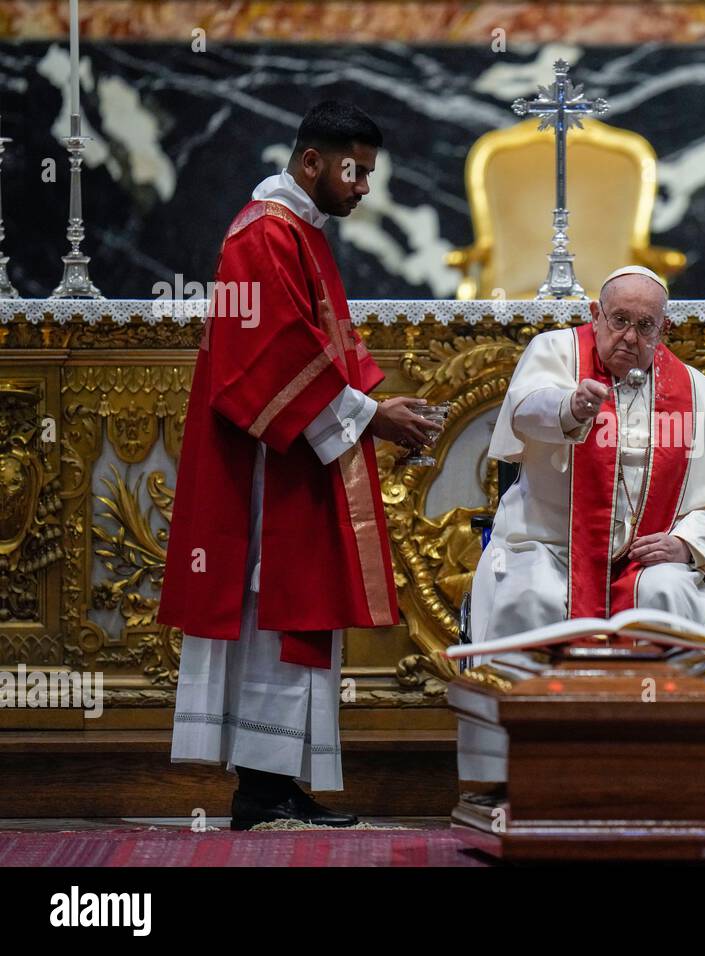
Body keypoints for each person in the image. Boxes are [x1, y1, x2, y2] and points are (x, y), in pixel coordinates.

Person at [159, 101, 437, 830]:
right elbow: (267, 358)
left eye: (370, 173)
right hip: (264, 474)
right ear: (311, 161)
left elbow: (326, 347)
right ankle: (261, 790)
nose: (364, 188)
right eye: (355, 171)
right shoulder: (263, 235)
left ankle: (273, 783)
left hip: (295, 458)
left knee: (290, 617)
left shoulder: (299, 233)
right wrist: (373, 418)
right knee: (270, 615)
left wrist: (379, 405)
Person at [469, 265, 705, 640]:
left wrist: (685, 544)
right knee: (531, 595)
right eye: (619, 320)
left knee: (666, 594)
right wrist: (570, 408)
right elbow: (525, 411)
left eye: (645, 326)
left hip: (646, 560)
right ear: (595, 315)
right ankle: (530, 701)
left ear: (663, 330)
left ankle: (658, 700)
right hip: (547, 545)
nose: (629, 337)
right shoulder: (555, 351)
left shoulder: (698, 392)